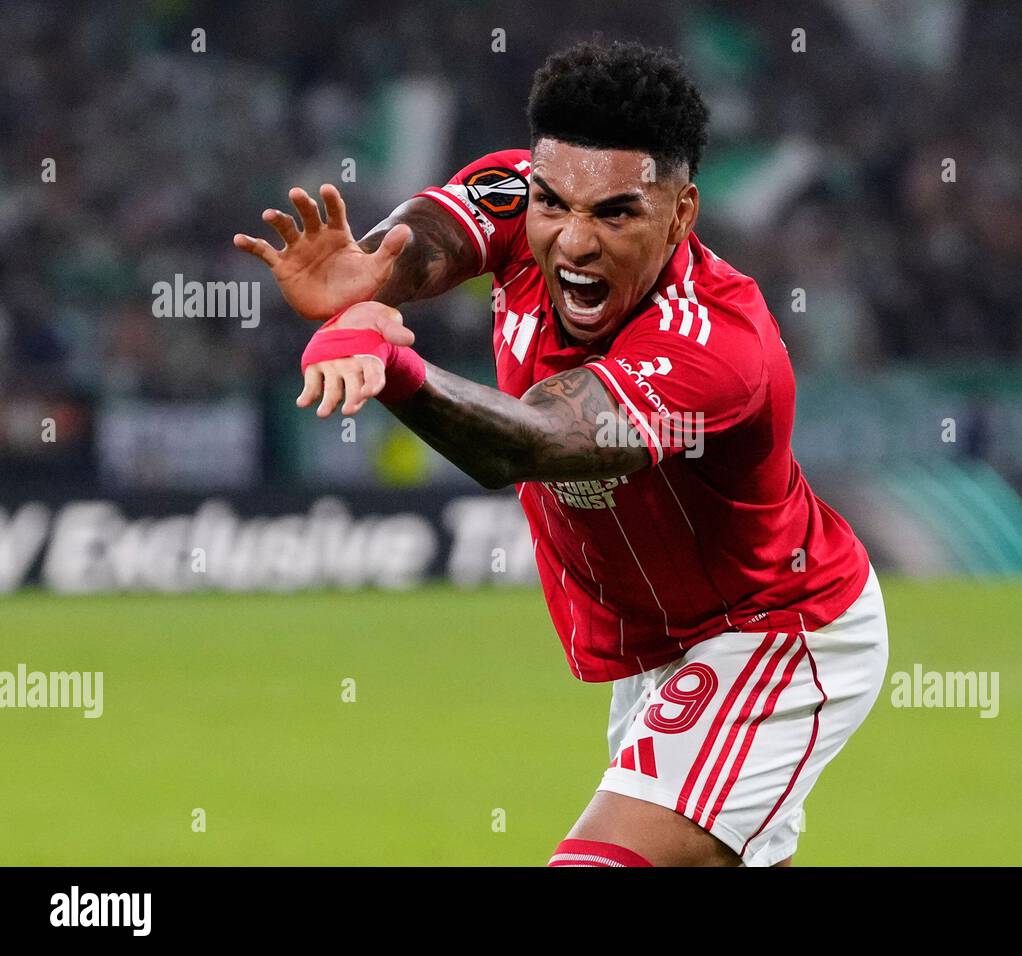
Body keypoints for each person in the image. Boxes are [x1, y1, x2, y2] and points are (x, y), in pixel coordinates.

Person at [234, 41, 888, 866]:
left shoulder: (714, 344)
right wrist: (371, 278)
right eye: (554, 204)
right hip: (657, 646)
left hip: (771, 631)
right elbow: (433, 235)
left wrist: (395, 365)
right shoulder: (527, 193)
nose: (574, 241)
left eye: (615, 214)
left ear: (681, 214)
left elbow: (538, 442)